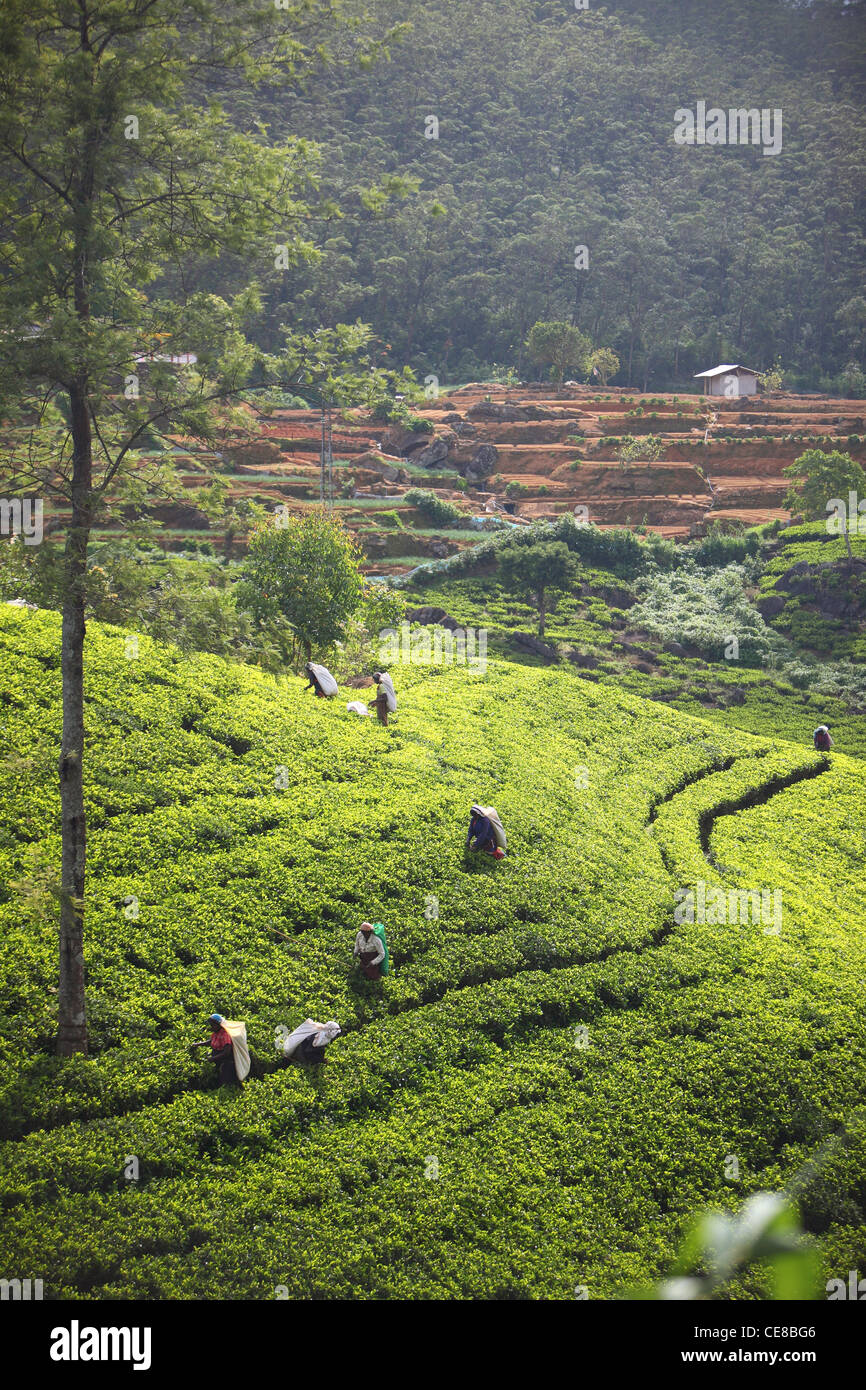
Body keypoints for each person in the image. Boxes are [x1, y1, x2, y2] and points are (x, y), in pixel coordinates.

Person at [191, 1013, 238, 1086]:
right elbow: (210, 1042)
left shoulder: (225, 1035)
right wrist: (197, 1044)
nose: (211, 1027)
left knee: (225, 1081)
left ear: (219, 1025)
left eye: (213, 1025)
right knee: (217, 1078)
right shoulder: (216, 1033)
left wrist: (213, 1058)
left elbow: (226, 1052)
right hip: (218, 1059)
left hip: (226, 1062)